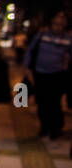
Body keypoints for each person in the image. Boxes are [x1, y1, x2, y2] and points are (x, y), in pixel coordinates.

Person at [23, 9, 71, 139]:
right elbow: (30, 51)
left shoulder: (68, 38)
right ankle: (44, 127)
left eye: (61, 24)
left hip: (58, 74)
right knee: (43, 101)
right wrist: (27, 69)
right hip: (40, 73)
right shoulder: (42, 35)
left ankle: (55, 128)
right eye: (56, 23)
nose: (58, 27)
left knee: (55, 102)